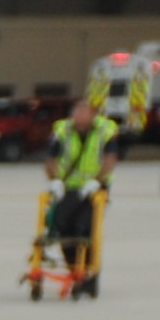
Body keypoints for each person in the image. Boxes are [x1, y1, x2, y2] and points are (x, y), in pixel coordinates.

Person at [42, 92, 117, 293]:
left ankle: (91, 276)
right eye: (78, 110)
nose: (81, 115)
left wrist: (96, 181)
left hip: (95, 188)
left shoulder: (106, 130)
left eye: (86, 110)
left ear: (94, 114)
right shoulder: (62, 130)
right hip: (69, 187)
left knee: (85, 228)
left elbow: (110, 159)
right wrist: (55, 180)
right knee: (60, 226)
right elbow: (51, 159)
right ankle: (75, 270)